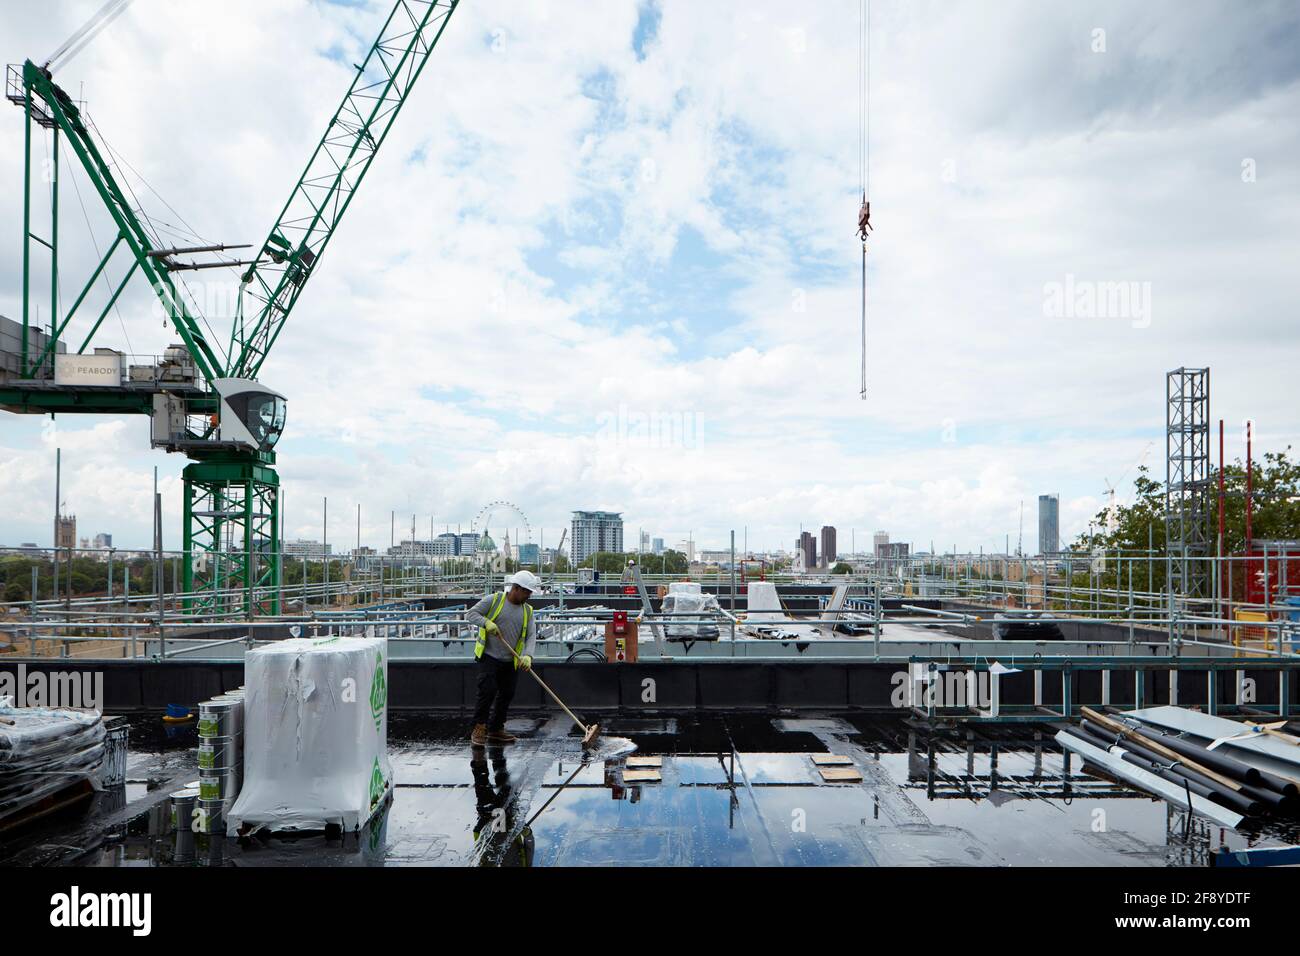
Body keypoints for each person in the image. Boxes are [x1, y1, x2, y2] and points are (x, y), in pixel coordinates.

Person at [466, 570, 540, 746]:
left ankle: (496, 729)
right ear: (516, 588)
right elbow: (471, 614)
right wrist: (486, 623)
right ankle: (479, 728)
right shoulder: (495, 600)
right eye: (527, 592)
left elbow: (531, 635)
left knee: (506, 694)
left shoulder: (528, 611)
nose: (529, 596)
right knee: (487, 691)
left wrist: (528, 656)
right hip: (489, 656)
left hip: (510, 660)